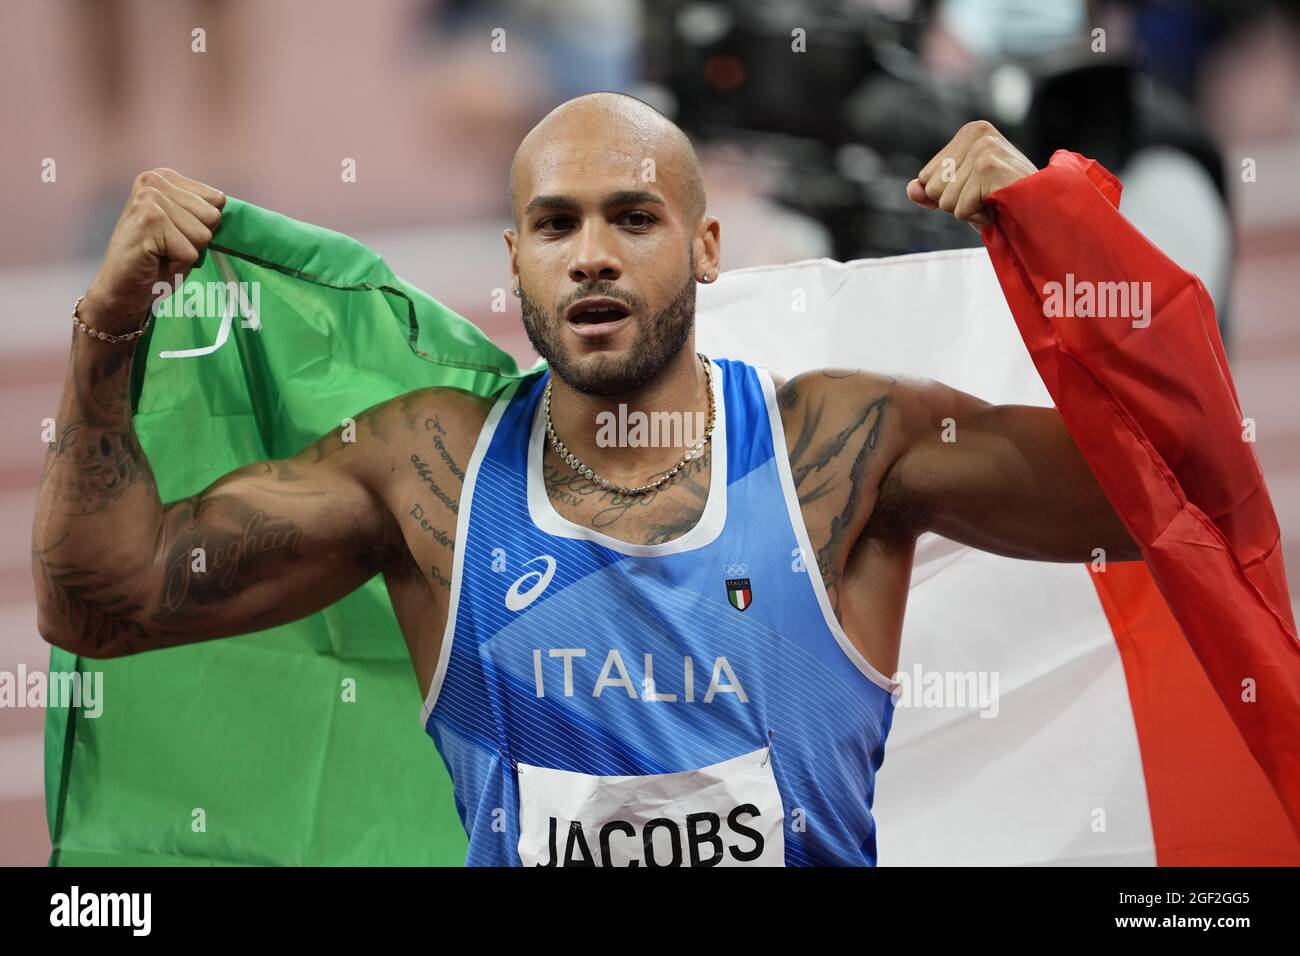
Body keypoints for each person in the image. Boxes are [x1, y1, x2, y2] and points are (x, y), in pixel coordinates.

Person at [33, 92, 1141, 866]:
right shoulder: (429, 477)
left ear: (706, 248)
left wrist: (1065, 237)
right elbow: (104, 594)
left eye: (633, 217)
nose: (592, 253)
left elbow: (1158, 503)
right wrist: (111, 322)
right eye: (557, 224)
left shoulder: (838, 452)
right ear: (514, 257)